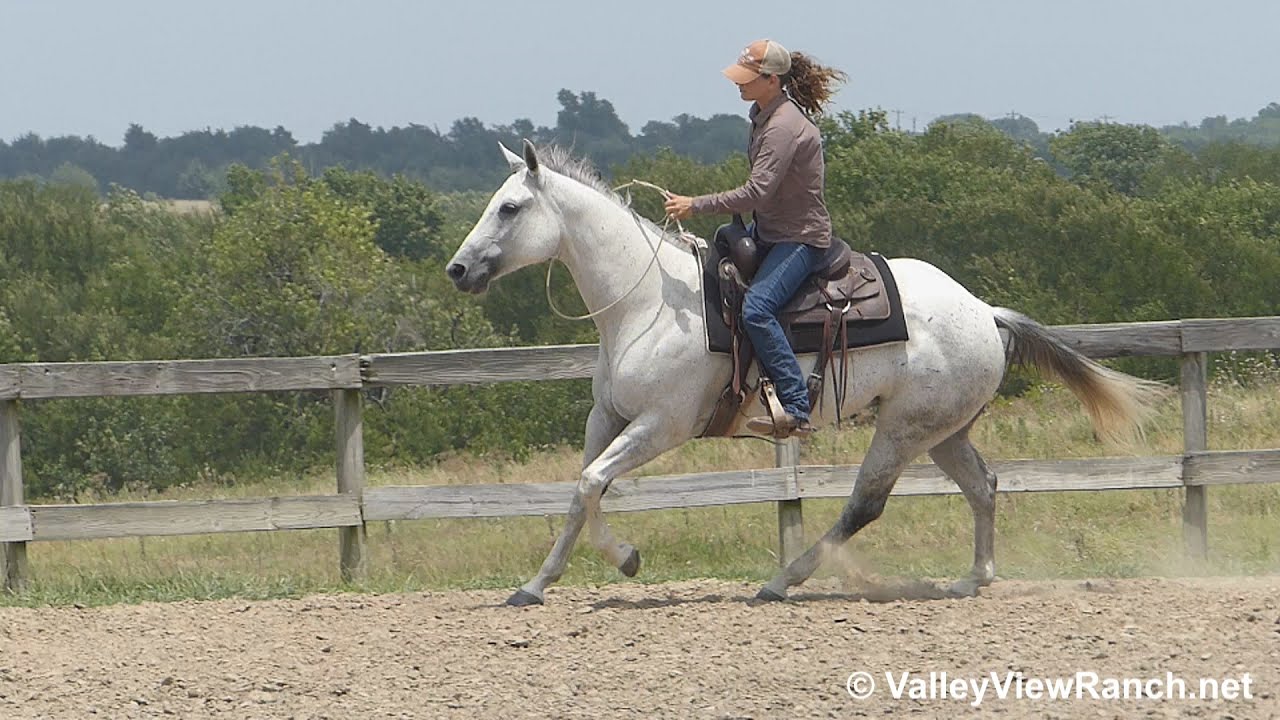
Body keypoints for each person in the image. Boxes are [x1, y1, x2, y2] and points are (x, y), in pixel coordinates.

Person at [665, 39, 847, 438]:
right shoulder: (763, 114)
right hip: (770, 232)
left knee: (757, 310)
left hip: (800, 240)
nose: (739, 85)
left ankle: (797, 407)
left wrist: (696, 204)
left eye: (748, 79)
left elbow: (757, 193)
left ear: (772, 80)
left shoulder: (783, 127)